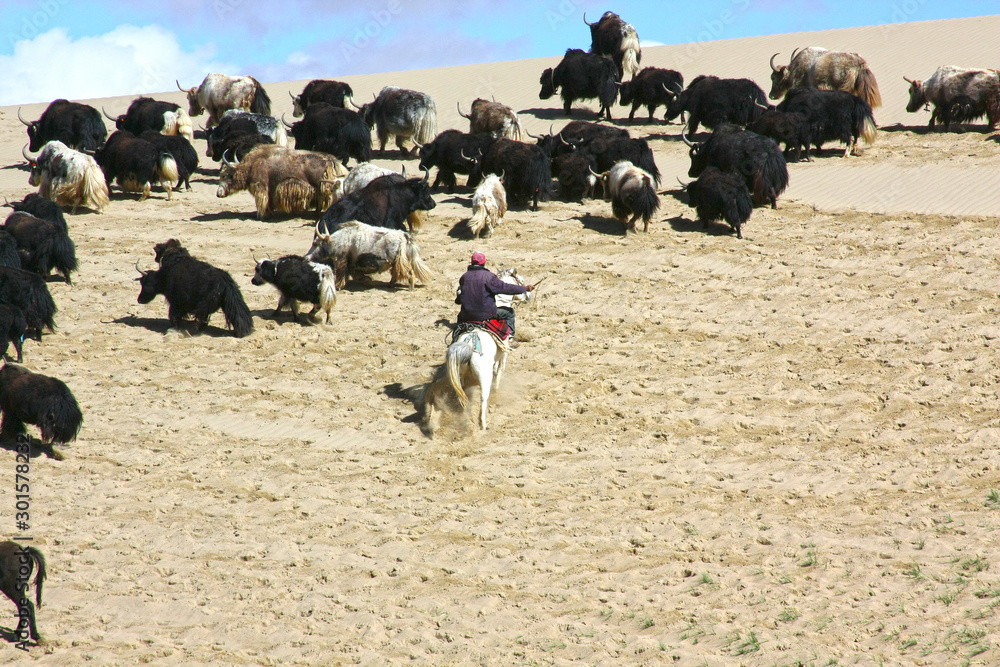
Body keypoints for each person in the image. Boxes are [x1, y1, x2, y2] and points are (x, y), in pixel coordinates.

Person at [455, 252, 534, 348]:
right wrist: (524, 288)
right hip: (486, 314)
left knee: (459, 318)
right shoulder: (489, 277)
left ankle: (455, 340)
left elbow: (459, 298)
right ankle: (509, 339)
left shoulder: (464, 277)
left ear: (471, 263)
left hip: (467, 315)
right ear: (484, 263)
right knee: (509, 313)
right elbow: (505, 288)